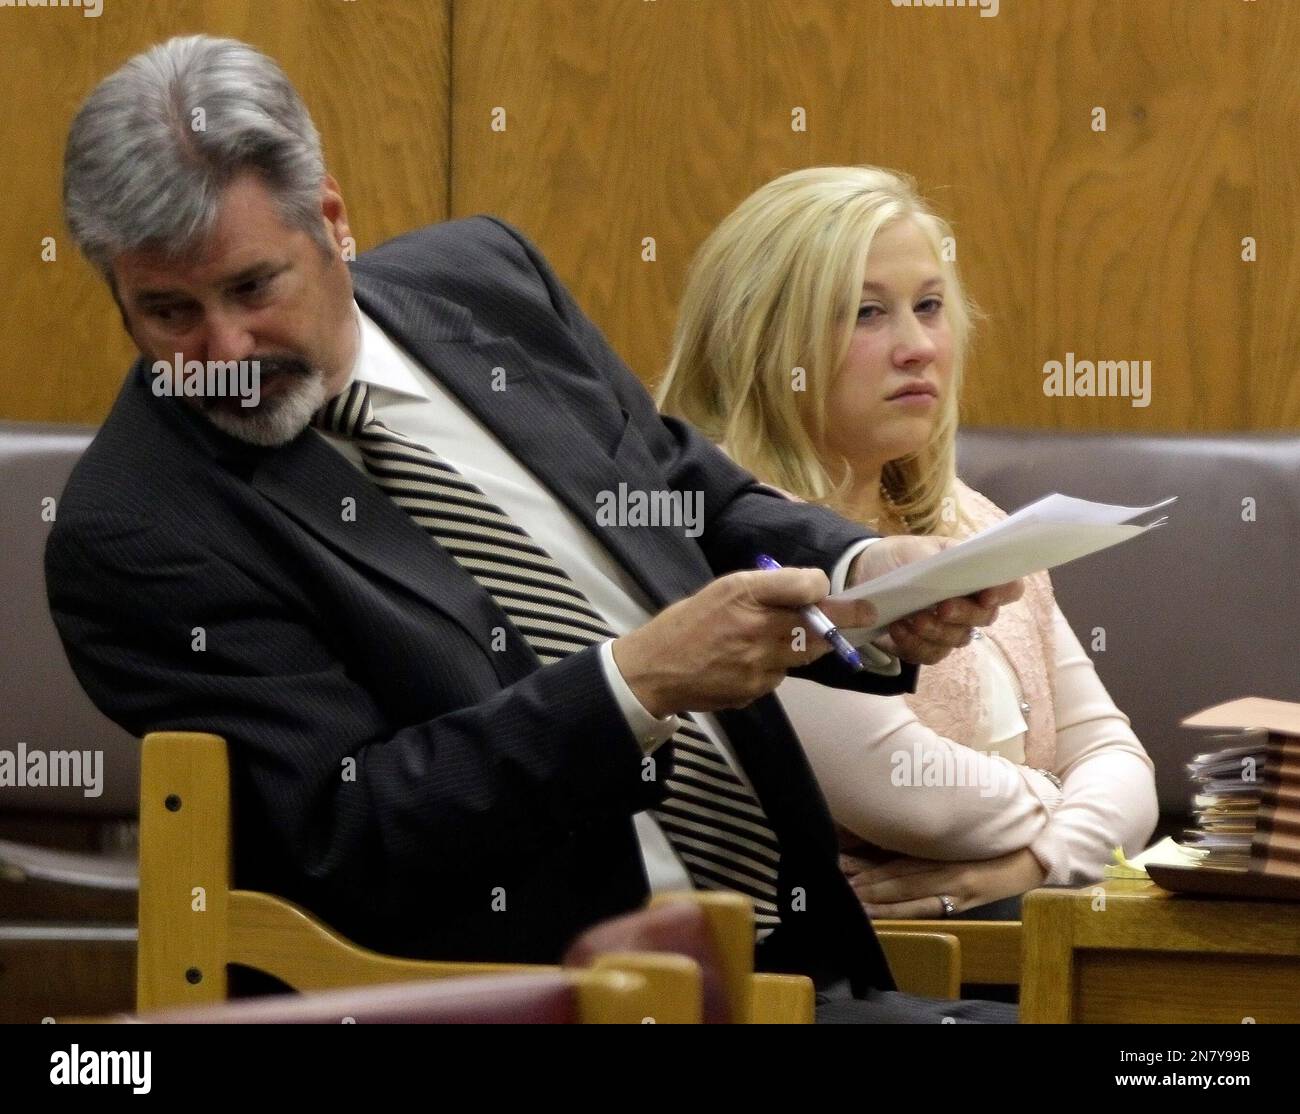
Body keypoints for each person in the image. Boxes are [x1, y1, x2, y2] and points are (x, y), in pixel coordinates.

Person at [47, 38, 1021, 1022]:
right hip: (544, 995)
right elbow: (351, 829)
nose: (221, 352)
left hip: (807, 952)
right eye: (168, 312)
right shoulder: (139, 529)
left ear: (331, 223)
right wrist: (632, 684)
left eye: (253, 288)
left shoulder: (485, 279)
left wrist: (864, 571)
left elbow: (687, 492)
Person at [657, 166, 1158, 922]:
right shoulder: (736, 537)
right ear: (764, 340)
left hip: (1020, 931)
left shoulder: (971, 518)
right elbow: (906, 795)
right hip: (850, 972)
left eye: (930, 307)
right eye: (866, 314)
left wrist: (1038, 861)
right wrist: (1073, 812)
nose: (918, 346)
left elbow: (1123, 761)